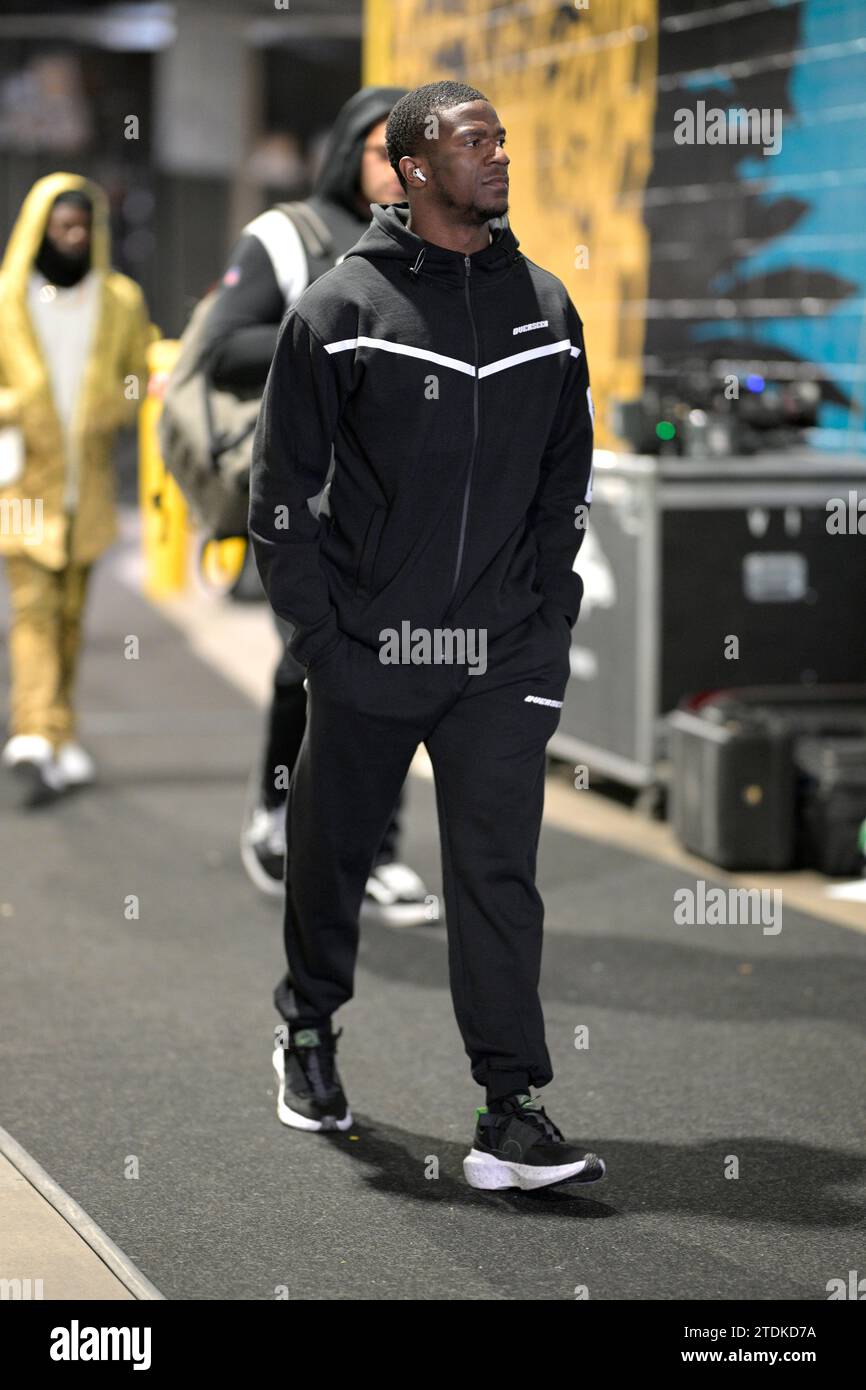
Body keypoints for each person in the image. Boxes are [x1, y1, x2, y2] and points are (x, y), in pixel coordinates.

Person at [250, 81, 606, 1192]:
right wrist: (324, 645)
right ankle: (307, 1030)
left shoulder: (543, 308)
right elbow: (278, 495)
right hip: (371, 650)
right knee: (332, 855)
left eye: (502, 136)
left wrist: (546, 623)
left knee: (497, 877)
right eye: (471, 140)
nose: (499, 154)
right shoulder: (339, 308)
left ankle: (510, 1110)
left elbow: (565, 485)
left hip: (501, 659)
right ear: (407, 165)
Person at [199, 86, 432, 925]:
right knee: (313, 664)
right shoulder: (288, 237)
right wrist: (338, 325)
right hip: (311, 497)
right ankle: (276, 815)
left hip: (410, 504)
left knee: (400, 669)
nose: (406, 167)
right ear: (349, 152)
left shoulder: (443, 243)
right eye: (386, 150)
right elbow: (225, 346)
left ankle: (376, 849)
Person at [0, 173, 153, 804]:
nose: (72, 237)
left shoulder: (118, 300)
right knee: (33, 609)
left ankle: (58, 734)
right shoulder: (8, 299)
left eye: (82, 227)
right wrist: (15, 405)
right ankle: (33, 732)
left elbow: (136, 377)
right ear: (37, 229)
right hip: (23, 480)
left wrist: (109, 410)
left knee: (69, 616)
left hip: (83, 485)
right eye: (61, 227)